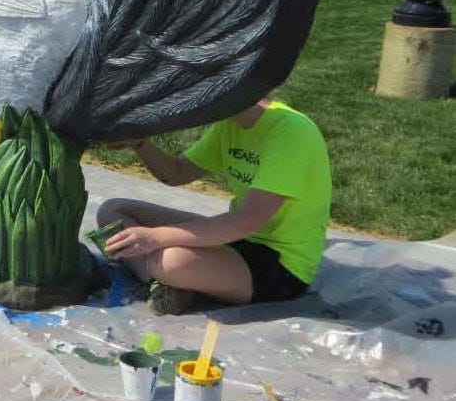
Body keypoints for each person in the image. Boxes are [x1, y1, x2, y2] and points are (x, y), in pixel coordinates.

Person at [96, 97, 331, 316]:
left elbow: (247, 221)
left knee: (169, 260)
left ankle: (168, 278)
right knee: (113, 211)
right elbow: (177, 173)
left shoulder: (292, 132)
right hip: (237, 238)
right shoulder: (230, 124)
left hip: (280, 266)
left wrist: (155, 237)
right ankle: (172, 282)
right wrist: (139, 143)